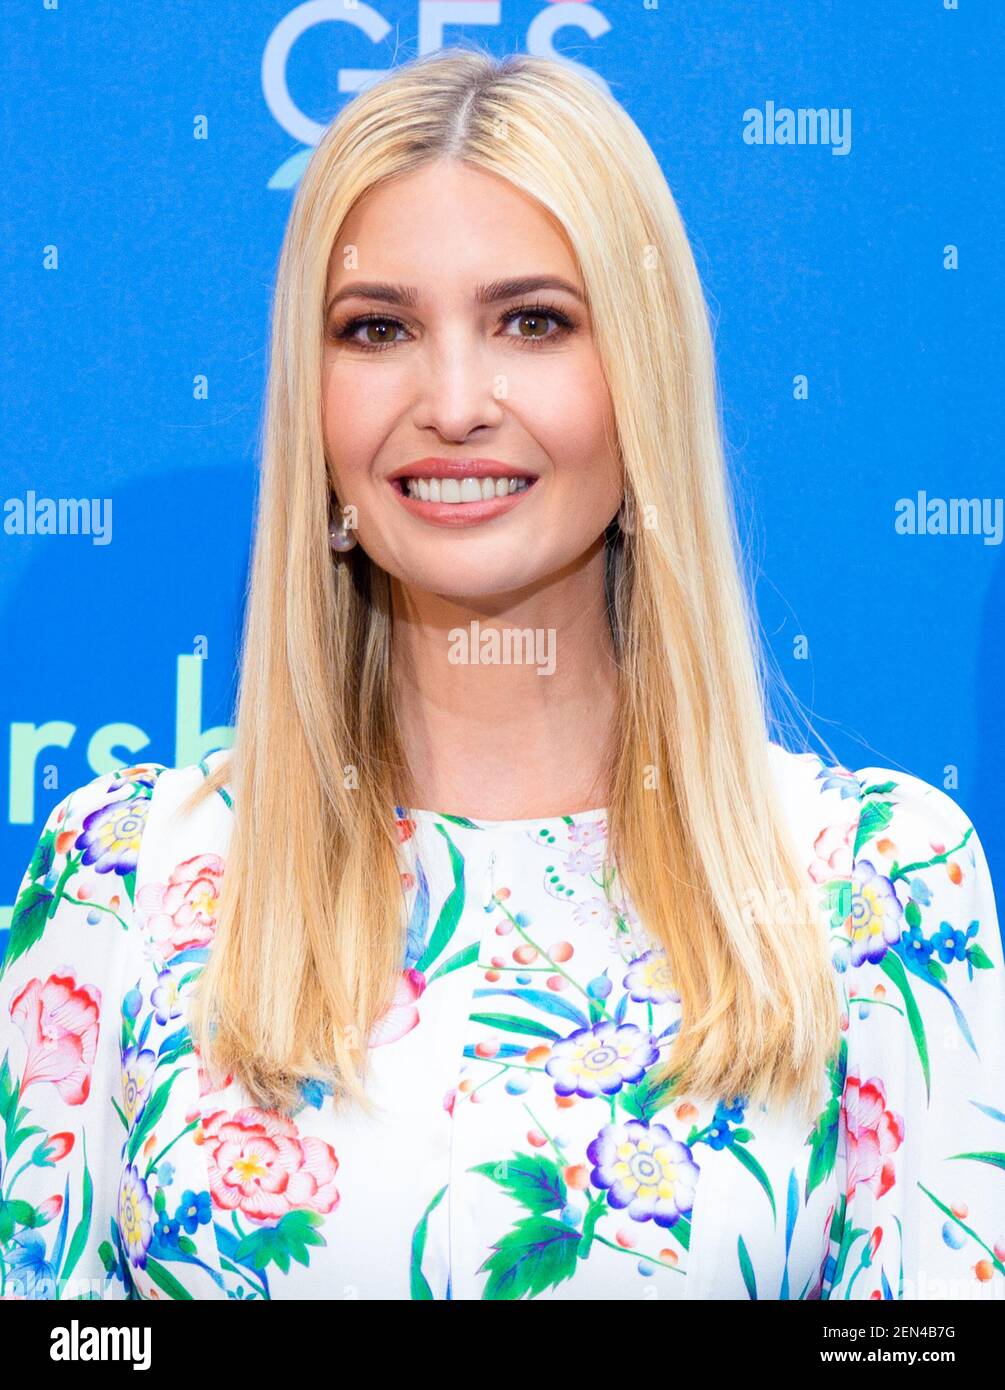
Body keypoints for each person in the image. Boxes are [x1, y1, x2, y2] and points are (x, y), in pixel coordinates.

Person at [1, 46, 1001, 1303]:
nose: (455, 401)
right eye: (380, 330)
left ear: (641, 374)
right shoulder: (122, 879)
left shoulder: (879, 883)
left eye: (534, 322)